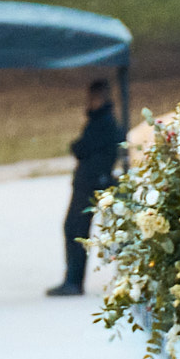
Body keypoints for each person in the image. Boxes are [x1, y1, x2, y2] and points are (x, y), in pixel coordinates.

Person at [48, 80, 125, 296]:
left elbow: (82, 147)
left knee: (76, 228)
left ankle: (74, 280)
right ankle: (72, 278)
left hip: (91, 183)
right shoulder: (100, 122)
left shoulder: (104, 124)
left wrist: (79, 148)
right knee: (73, 228)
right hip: (88, 181)